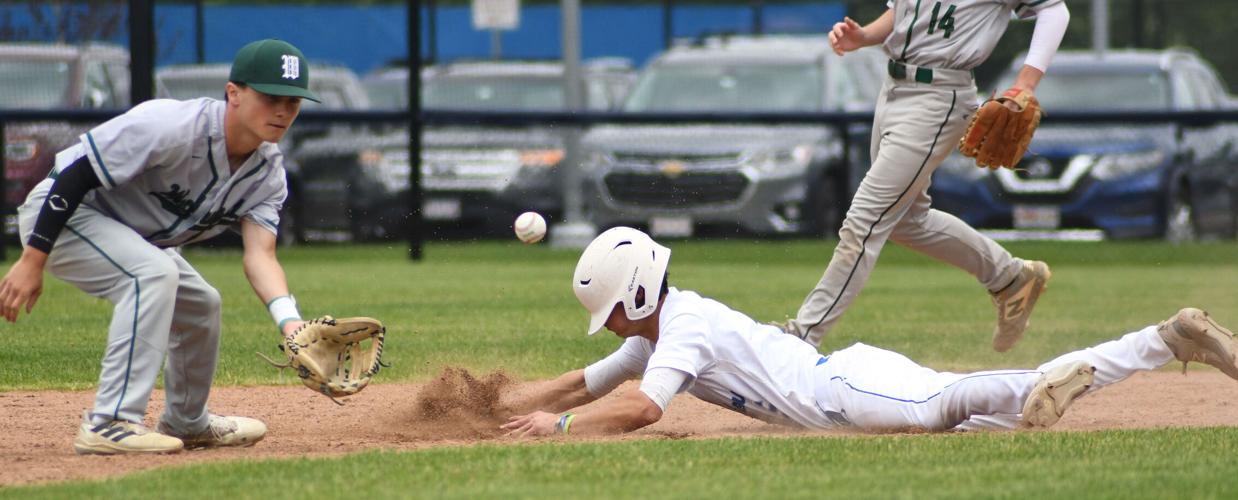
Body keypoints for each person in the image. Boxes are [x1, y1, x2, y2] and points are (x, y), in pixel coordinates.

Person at [501, 227, 1238, 437]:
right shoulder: (660, 332)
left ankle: (1049, 388)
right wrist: (493, 406)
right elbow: (586, 383)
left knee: (940, 408)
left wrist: (561, 428)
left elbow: (639, 410)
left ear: (633, 295)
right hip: (845, 382)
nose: (612, 331)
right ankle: (1165, 340)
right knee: (970, 416)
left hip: (839, 387)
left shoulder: (683, 329)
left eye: (613, 312)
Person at [0, 39, 319, 454]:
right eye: (270, 97)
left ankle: (187, 422)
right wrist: (32, 259)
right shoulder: (172, 125)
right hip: (64, 215)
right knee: (152, 273)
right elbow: (76, 174)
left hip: (128, 235)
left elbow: (261, 255)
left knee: (201, 304)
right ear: (234, 93)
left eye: (293, 102)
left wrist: (291, 324)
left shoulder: (267, 174)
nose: (282, 111)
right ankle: (110, 421)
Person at [780, 1, 1072, 352]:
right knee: (905, 220)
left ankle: (800, 337)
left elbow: (1055, 9)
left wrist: (1025, 83)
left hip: (939, 97)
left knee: (864, 221)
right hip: (892, 89)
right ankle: (1011, 277)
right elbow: (903, 11)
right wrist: (866, 35)